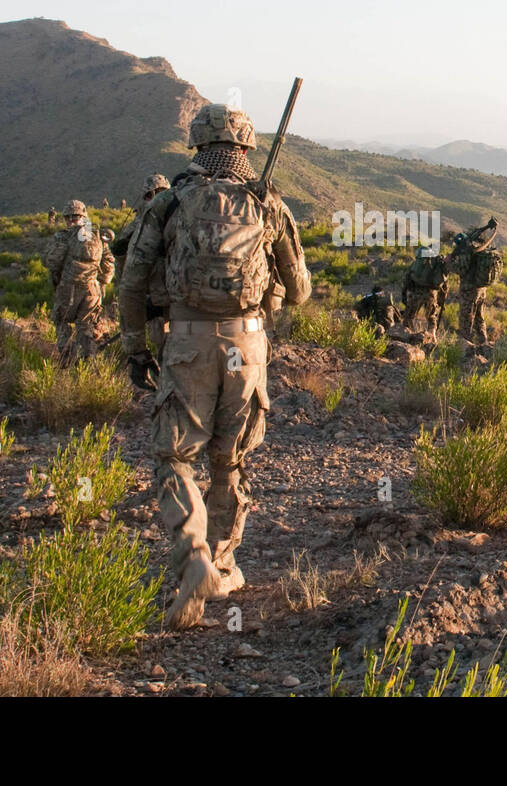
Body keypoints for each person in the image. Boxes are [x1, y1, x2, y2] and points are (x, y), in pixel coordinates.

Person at [119, 103, 311, 629]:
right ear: (246, 148)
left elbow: (132, 282)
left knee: (175, 455)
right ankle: (223, 566)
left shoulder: (169, 201)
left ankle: (193, 558)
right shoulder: (268, 203)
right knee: (231, 461)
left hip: (187, 343)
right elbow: (298, 292)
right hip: (247, 347)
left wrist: (135, 346)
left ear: (198, 144)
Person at [44, 199, 115, 366]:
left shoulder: (63, 236)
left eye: (70, 217)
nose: (69, 220)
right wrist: (100, 282)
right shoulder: (97, 236)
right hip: (92, 291)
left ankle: (67, 361)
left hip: (68, 289)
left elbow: (52, 262)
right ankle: (87, 362)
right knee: (87, 327)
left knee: (61, 321)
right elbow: (109, 265)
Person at [111, 173, 172, 357]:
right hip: (154, 297)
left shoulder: (179, 220)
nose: (155, 198)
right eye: (150, 194)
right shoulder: (136, 227)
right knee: (163, 344)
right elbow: (125, 277)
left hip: (179, 298)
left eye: (161, 193)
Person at [449, 217, 498, 346]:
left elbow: (462, 270)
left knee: (466, 316)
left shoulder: (466, 251)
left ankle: (466, 344)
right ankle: (483, 342)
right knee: (479, 316)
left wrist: (450, 264)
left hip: (469, 289)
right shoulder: (479, 248)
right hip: (481, 289)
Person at [401, 244, 447, 342]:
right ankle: (433, 336)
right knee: (431, 317)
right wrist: (441, 301)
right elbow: (443, 284)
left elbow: (406, 280)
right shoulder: (437, 265)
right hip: (431, 294)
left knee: (409, 316)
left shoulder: (416, 264)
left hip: (416, 293)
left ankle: (409, 335)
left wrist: (404, 295)